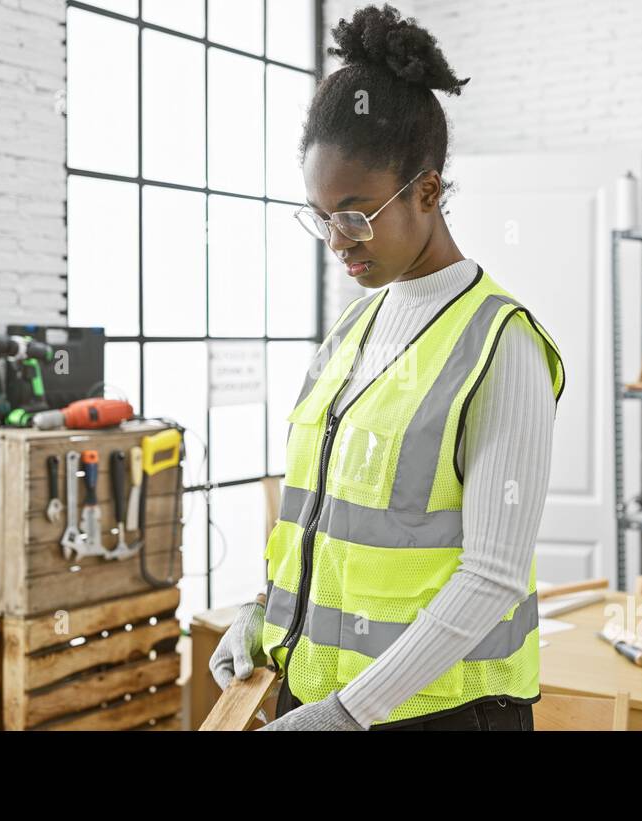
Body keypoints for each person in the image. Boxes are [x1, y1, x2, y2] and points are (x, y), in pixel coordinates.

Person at [209, 3, 564, 732]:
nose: (337, 241)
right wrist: (260, 611)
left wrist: (348, 712)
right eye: (320, 216)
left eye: (355, 213)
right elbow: (325, 529)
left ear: (427, 192)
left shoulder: (503, 345)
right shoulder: (351, 331)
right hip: (319, 699)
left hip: (440, 714)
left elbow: (492, 577)